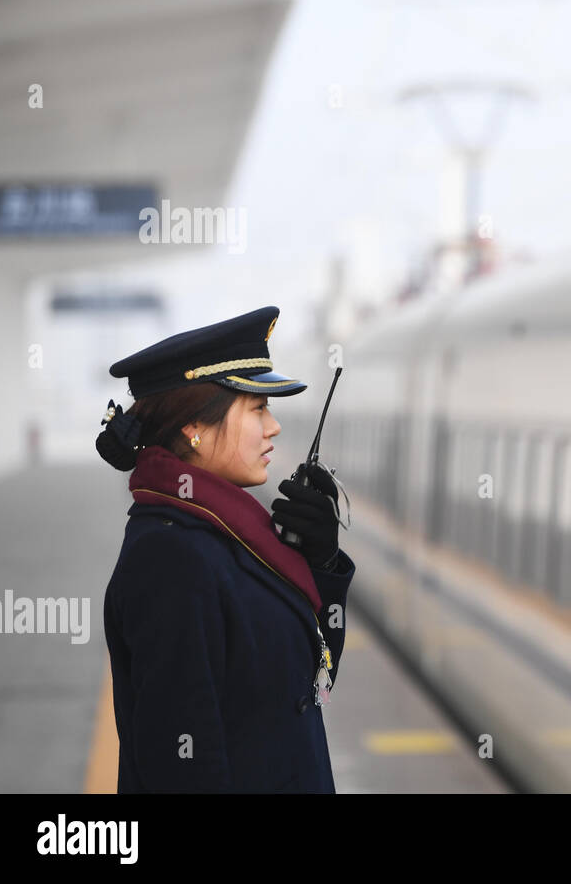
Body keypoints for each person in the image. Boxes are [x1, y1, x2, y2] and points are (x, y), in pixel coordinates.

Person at [96, 305, 355, 793]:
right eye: (258, 408)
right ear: (195, 426)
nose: (273, 426)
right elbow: (183, 768)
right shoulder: (171, 559)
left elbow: (313, 678)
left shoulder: (228, 530)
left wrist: (319, 563)